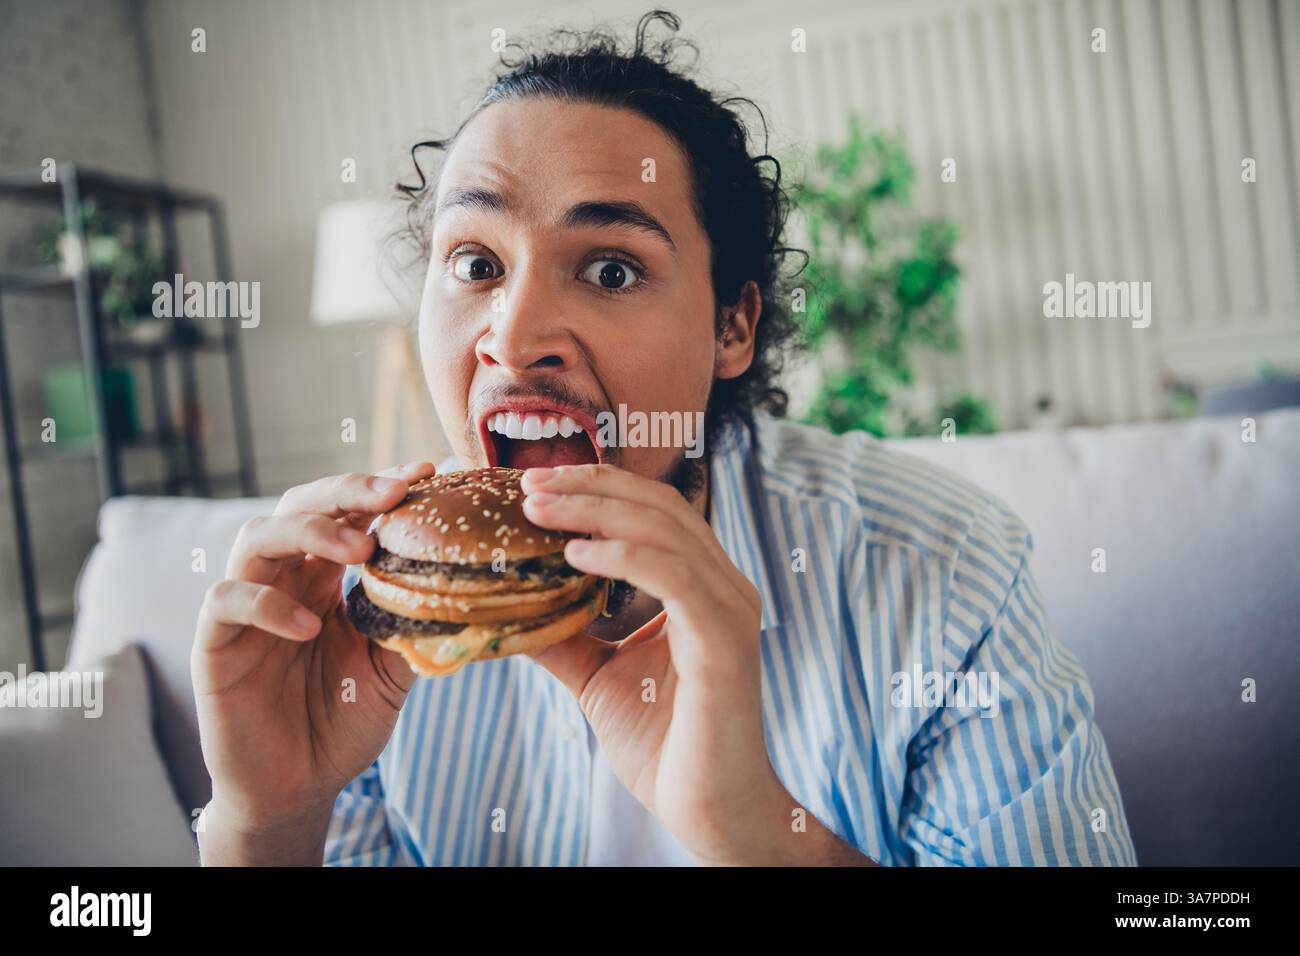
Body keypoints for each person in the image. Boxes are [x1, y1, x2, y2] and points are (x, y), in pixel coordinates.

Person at [192, 10, 1136, 866]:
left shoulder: (943, 575)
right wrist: (267, 823)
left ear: (733, 326)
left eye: (609, 269)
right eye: (476, 262)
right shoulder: (364, 613)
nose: (514, 338)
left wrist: (754, 832)